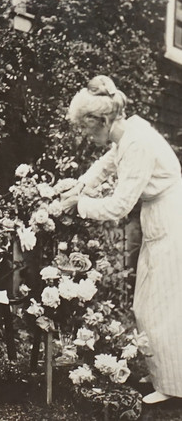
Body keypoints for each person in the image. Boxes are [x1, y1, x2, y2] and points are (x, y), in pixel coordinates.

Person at [61, 75, 182, 404]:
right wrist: (79, 186)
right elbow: (106, 163)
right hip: (161, 220)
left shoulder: (137, 143)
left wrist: (79, 205)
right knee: (150, 305)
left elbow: (120, 205)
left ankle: (173, 388)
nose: (87, 135)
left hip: (172, 222)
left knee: (161, 308)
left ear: (100, 120)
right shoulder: (128, 132)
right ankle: (169, 379)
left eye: (87, 127)